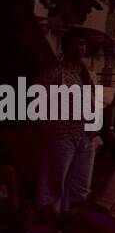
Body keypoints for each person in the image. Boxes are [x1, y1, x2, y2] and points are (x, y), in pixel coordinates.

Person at [35, 32, 99, 215]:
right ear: (65, 47)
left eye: (83, 44)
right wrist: (49, 129)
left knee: (80, 186)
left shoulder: (86, 74)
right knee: (55, 184)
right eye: (76, 44)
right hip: (62, 135)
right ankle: (50, 221)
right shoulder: (55, 74)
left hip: (84, 137)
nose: (80, 48)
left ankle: (70, 222)